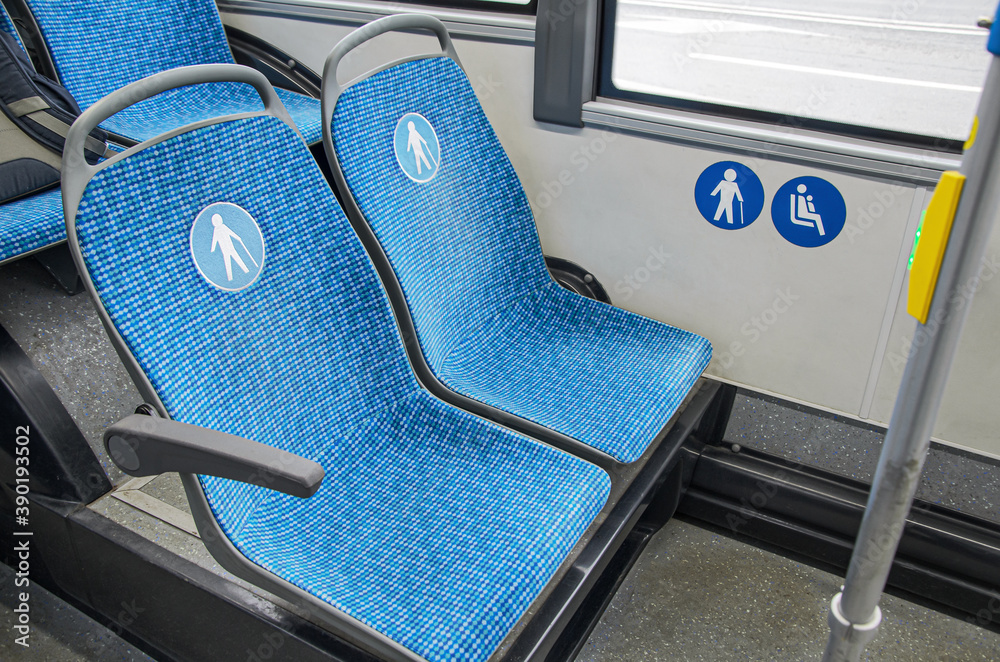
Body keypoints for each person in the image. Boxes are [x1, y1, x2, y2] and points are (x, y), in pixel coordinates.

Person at [210, 213, 257, 281]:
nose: (217, 222)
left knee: (237, 258)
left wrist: (237, 237)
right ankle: (230, 278)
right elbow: (214, 240)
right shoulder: (216, 230)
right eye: (215, 221)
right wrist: (213, 249)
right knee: (227, 262)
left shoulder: (224, 227)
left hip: (231, 248)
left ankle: (246, 270)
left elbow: (231, 232)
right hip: (224, 250)